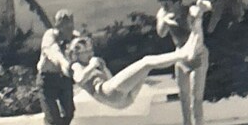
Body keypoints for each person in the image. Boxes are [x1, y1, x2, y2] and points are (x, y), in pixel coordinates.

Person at [68, 32, 201, 109]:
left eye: (90, 50)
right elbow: (79, 79)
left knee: (147, 67)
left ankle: (184, 52)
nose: (90, 54)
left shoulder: (93, 63)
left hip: (122, 100)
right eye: (85, 52)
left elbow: (111, 80)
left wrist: (103, 69)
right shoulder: (76, 65)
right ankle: (184, 53)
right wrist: (92, 66)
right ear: (77, 55)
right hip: (108, 94)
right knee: (146, 61)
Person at [155, 0, 212, 125]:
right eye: (163, 5)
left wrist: (203, 6)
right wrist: (163, 18)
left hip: (197, 56)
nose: (165, 7)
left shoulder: (189, 11)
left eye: (168, 4)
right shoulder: (165, 13)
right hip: (180, 55)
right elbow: (161, 33)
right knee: (183, 96)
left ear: (178, 3)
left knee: (196, 101)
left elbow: (203, 8)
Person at [36, 8, 77, 125]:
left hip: (64, 80)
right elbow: (55, 53)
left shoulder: (74, 37)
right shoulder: (49, 37)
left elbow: (84, 51)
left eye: (70, 26)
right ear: (57, 26)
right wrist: (64, 64)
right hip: (47, 81)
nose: (69, 30)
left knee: (69, 111)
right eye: (65, 27)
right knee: (53, 119)